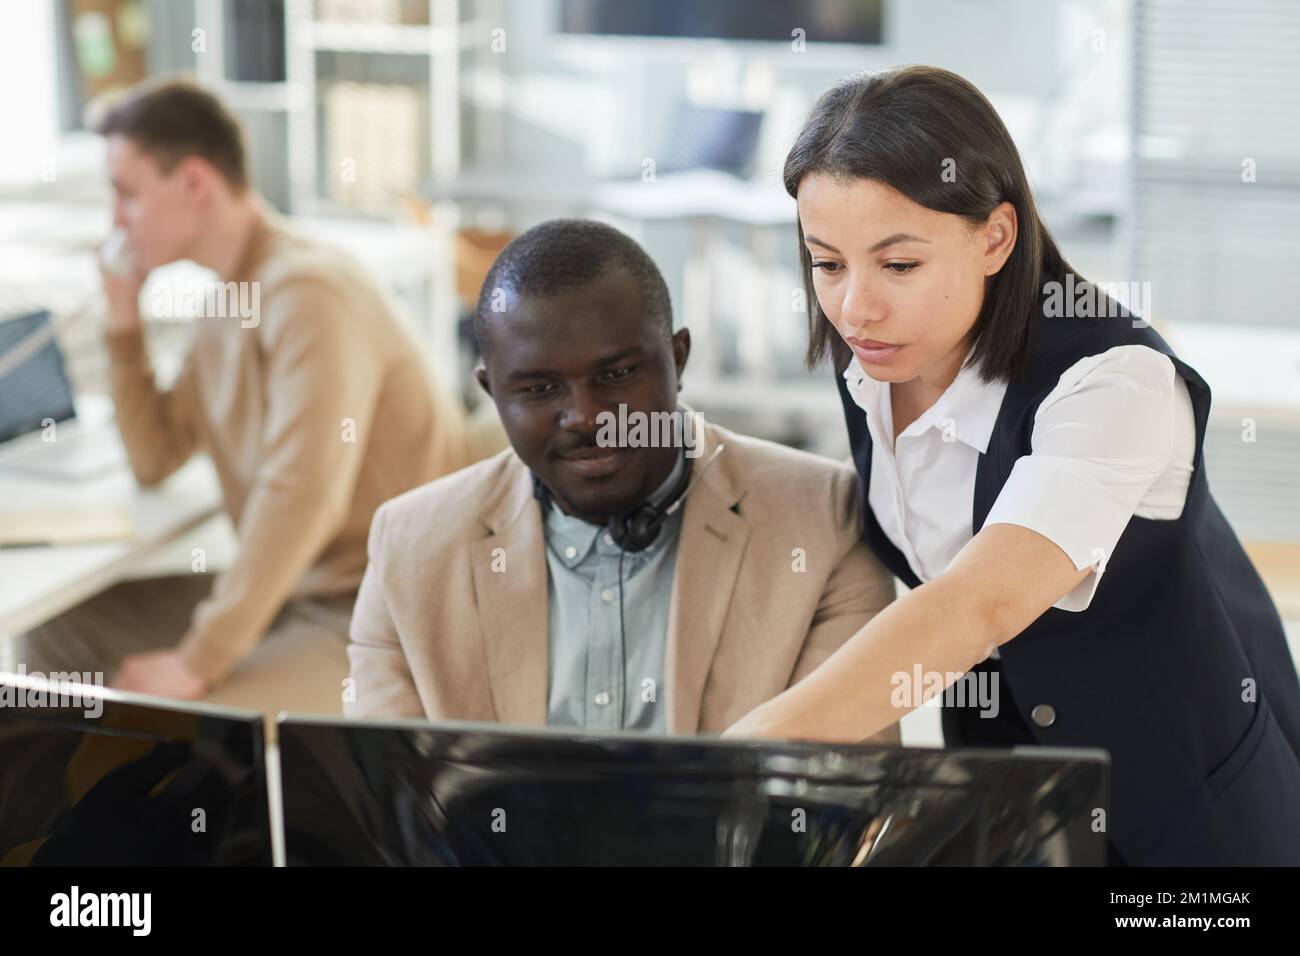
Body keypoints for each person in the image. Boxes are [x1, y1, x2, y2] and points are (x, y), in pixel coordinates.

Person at [722, 66, 1300, 866]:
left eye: (898, 265)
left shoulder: (1114, 381)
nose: (855, 306)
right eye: (826, 263)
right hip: (1010, 797)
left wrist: (743, 753)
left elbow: (980, 602)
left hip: (1185, 810)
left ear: (996, 235)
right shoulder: (880, 354)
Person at [344, 219, 899, 738]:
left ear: (677, 359)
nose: (586, 416)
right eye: (538, 389)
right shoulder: (409, 547)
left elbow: (840, 801)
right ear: (493, 394)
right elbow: (399, 810)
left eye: (616, 374)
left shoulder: (826, 519)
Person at [22, 78, 473, 714]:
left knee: (197, 732)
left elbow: (302, 492)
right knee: (62, 628)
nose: (114, 219)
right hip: (294, 594)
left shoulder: (308, 292)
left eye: (126, 194)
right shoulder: (226, 303)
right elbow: (156, 457)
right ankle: (79, 810)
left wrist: (199, 658)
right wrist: (124, 322)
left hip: (374, 614)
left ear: (195, 183)